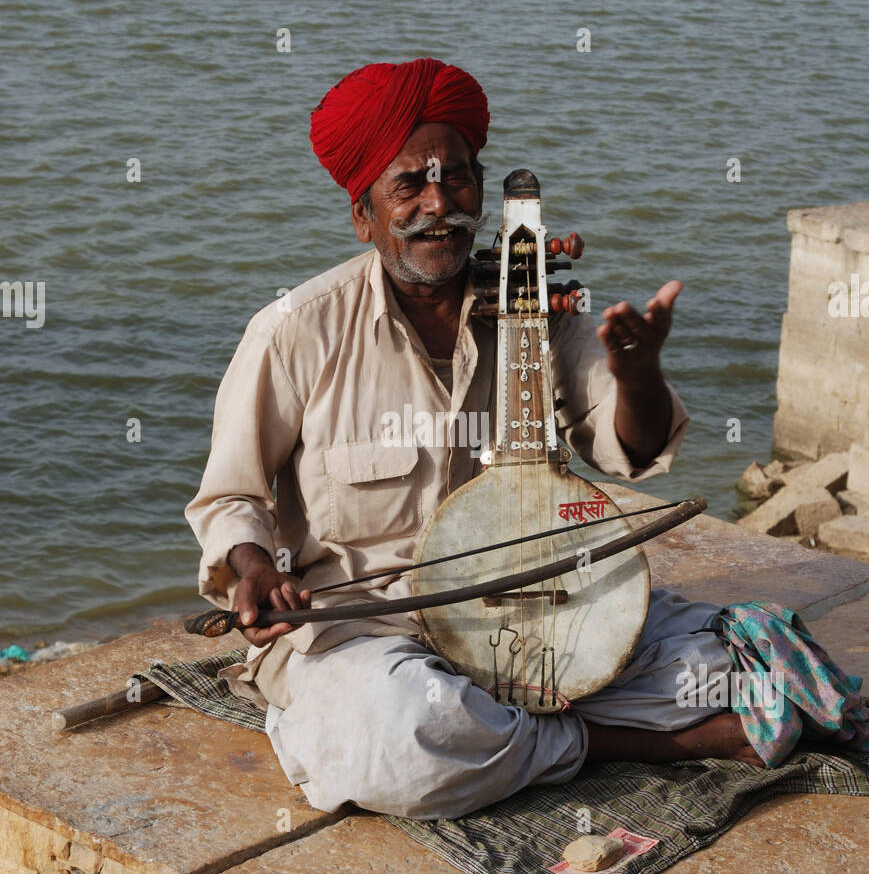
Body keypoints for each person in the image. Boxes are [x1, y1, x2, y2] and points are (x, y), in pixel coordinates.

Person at [185, 57, 861, 820]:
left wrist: (637, 373)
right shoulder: (293, 333)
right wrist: (249, 567)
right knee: (400, 735)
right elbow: (232, 494)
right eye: (409, 186)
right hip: (369, 630)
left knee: (738, 673)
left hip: (534, 611)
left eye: (458, 179)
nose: (439, 204)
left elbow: (623, 450)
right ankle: (631, 741)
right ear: (363, 216)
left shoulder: (541, 310)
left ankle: (520, 732)